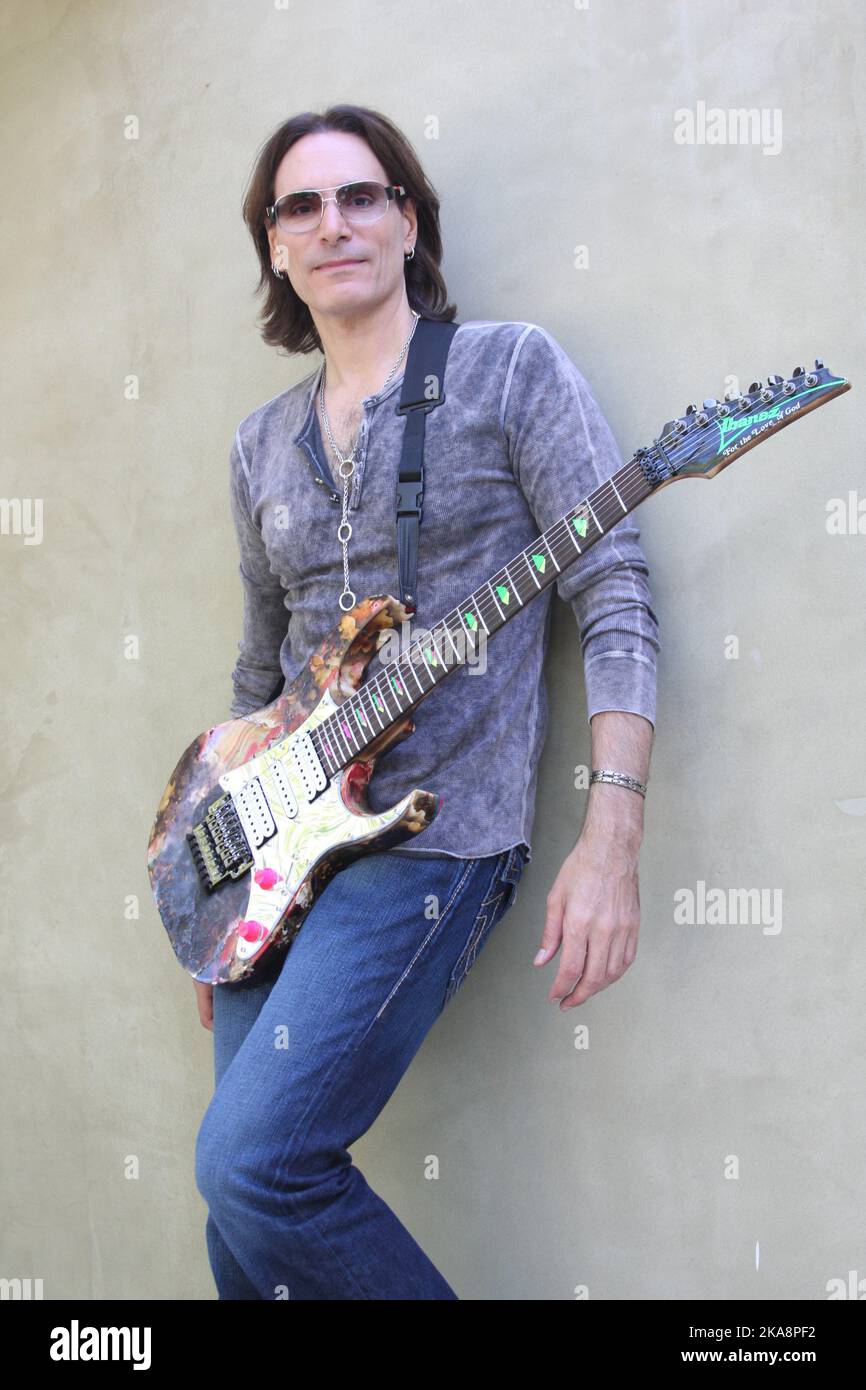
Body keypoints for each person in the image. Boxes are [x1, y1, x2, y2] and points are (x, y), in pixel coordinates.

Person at [194, 103, 659, 1300]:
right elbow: (259, 675)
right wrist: (219, 886)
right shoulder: (257, 446)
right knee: (236, 1225)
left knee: (257, 1168)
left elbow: (609, 592)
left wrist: (610, 836)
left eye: (362, 196)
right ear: (275, 247)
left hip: (433, 844)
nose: (331, 222)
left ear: (409, 221)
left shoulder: (509, 370)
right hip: (275, 858)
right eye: (299, 205)